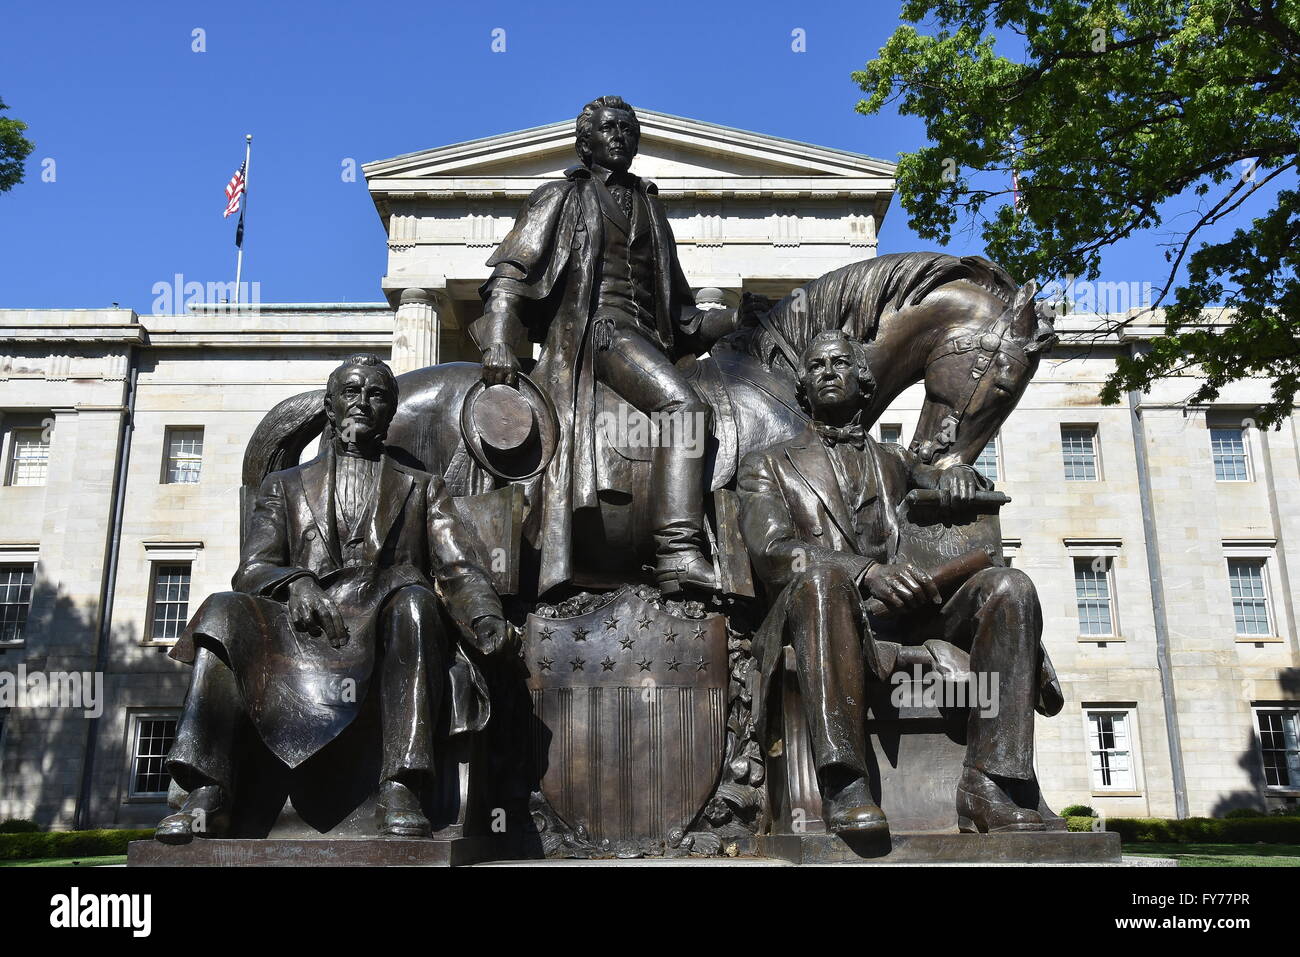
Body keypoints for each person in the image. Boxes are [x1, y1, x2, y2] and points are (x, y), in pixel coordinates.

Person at [155, 354, 510, 843]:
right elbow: (252, 569)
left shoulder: (424, 487)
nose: (363, 402)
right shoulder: (284, 486)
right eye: (352, 391)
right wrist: (296, 583)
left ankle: (401, 785)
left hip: (385, 615)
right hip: (301, 626)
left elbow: (456, 568)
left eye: (378, 394)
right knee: (221, 610)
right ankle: (208, 790)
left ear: (391, 413)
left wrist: (484, 614)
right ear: (330, 405)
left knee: (415, 598)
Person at [737, 331, 1064, 835]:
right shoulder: (768, 463)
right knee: (823, 581)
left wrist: (959, 478)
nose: (827, 371)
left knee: (1010, 586)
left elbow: (942, 478)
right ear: (802, 385)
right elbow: (774, 550)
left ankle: (990, 784)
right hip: (821, 609)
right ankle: (845, 784)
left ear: (863, 383)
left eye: (840, 363)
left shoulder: (896, 462)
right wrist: (866, 572)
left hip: (912, 610)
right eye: (816, 364)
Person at [474, 95, 743, 596]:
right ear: (585, 142)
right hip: (594, 335)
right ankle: (678, 551)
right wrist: (498, 342)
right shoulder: (560, 196)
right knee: (683, 404)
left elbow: (685, 318)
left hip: (647, 338)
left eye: (629, 128)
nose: (621, 135)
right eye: (609, 128)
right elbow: (511, 272)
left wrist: (738, 318)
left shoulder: (650, 206)